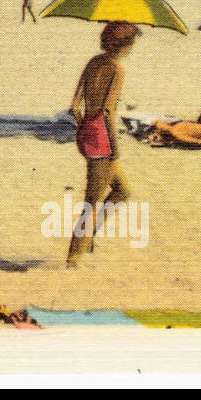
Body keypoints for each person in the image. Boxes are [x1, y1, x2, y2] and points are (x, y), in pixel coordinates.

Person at [67, 21, 139, 264]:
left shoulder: (93, 62)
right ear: (125, 44)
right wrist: (115, 149)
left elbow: (74, 105)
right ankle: (73, 257)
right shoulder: (117, 69)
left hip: (87, 131)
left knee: (122, 190)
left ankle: (88, 238)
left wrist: (84, 125)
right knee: (92, 201)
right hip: (102, 139)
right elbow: (107, 111)